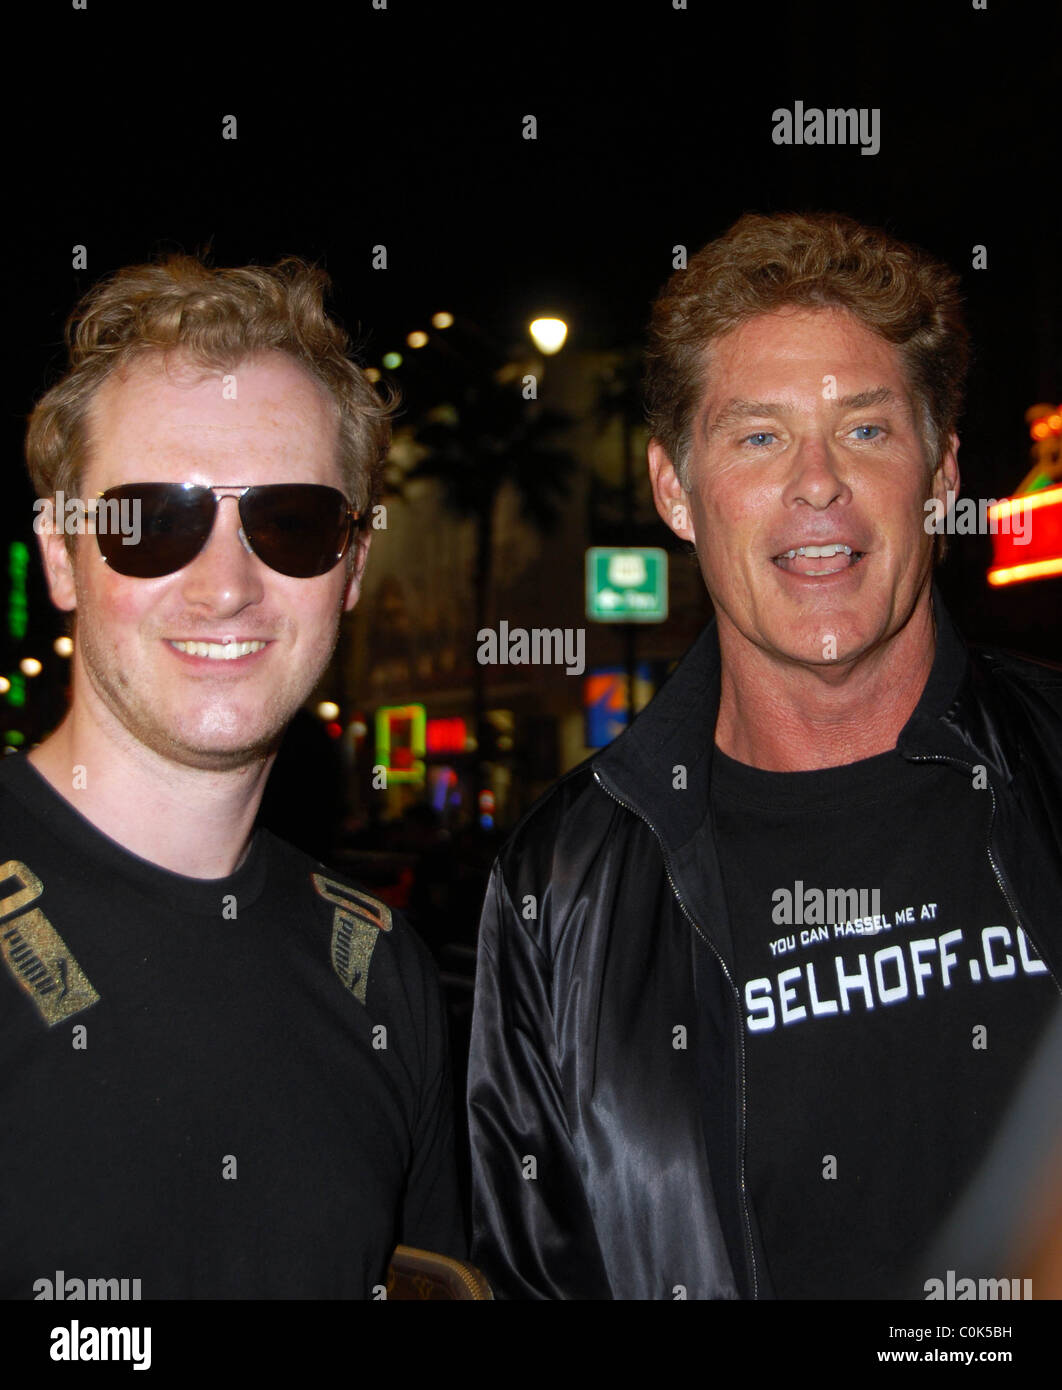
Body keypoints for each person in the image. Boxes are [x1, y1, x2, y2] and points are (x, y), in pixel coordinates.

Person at [466, 212, 1062, 1300]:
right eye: (758, 436)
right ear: (675, 491)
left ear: (941, 476)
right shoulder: (561, 883)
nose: (818, 483)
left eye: (868, 430)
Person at [2, 255, 463, 1299]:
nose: (224, 587)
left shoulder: (382, 972)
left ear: (348, 569)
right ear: (63, 559)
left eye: (289, 523)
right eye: (155, 520)